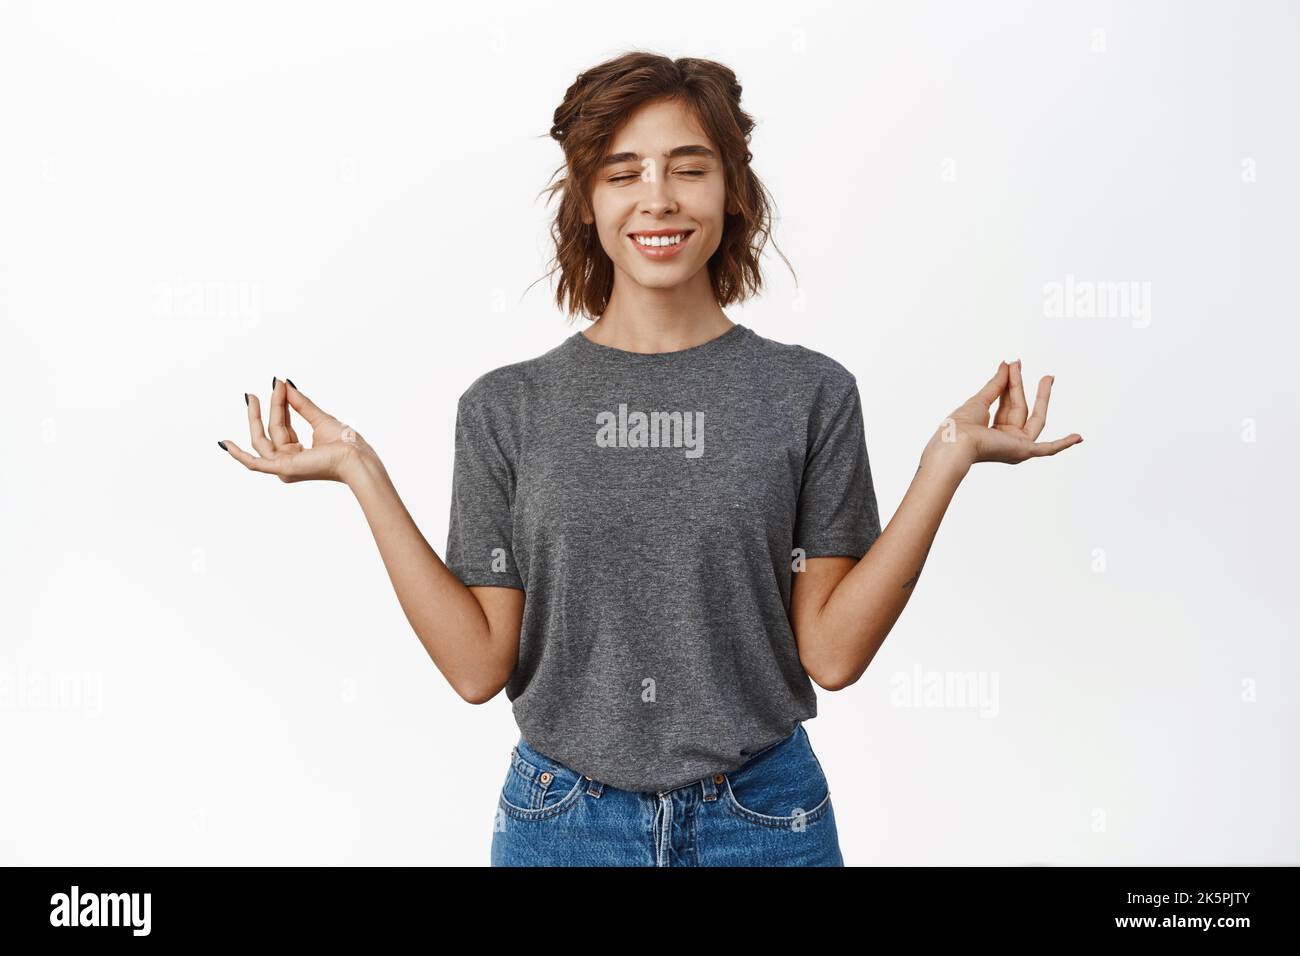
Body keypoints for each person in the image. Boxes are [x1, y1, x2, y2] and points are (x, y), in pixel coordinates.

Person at [217, 51, 1082, 866]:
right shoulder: (505, 408)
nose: (658, 199)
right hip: (562, 826)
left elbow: (833, 654)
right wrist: (361, 471)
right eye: (623, 173)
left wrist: (945, 462)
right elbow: (478, 667)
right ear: (586, 203)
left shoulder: (809, 392)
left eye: (689, 168)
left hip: (766, 821)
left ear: (732, 190)